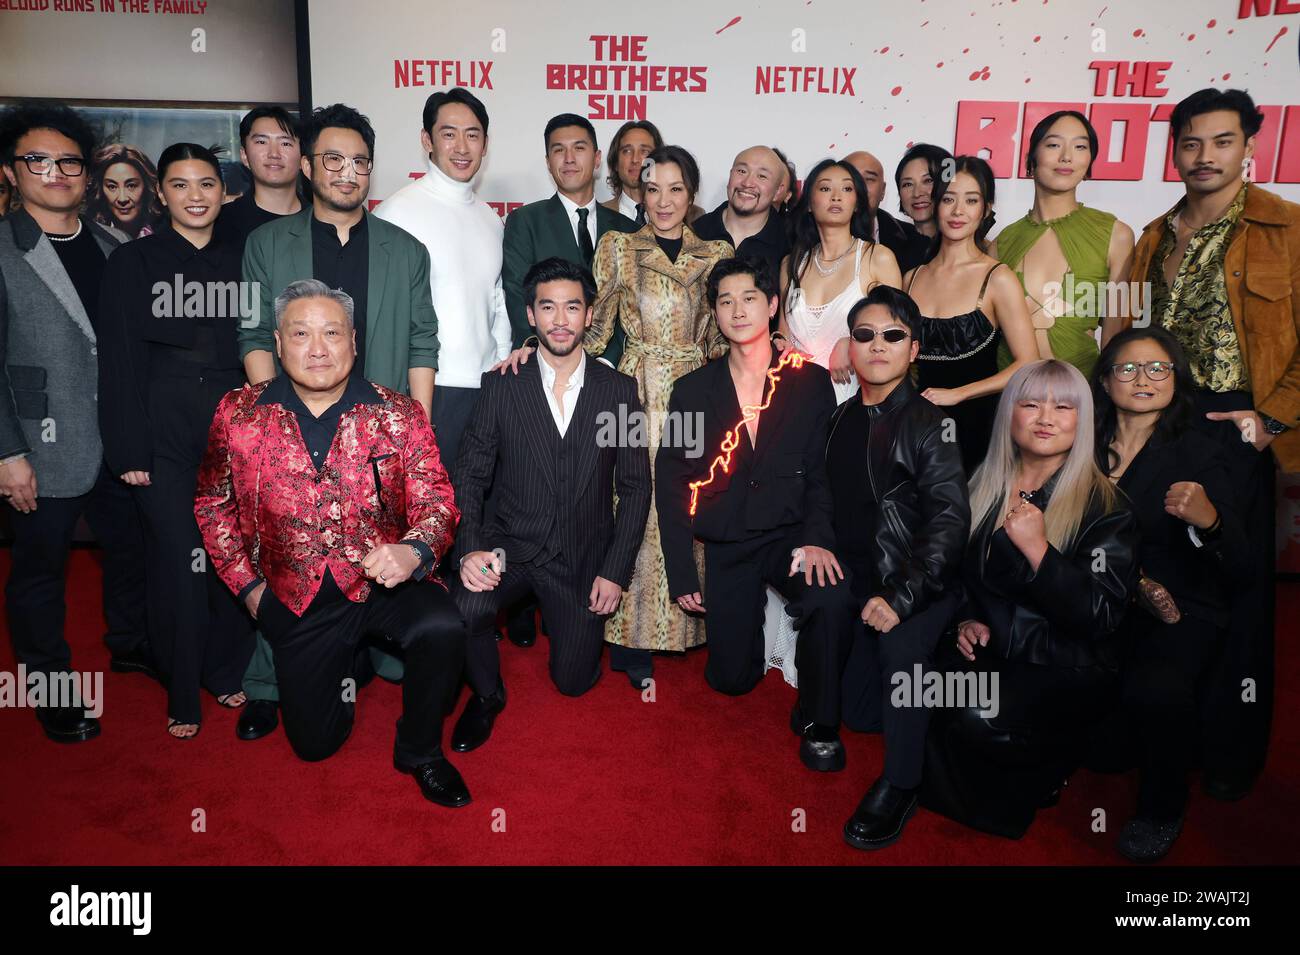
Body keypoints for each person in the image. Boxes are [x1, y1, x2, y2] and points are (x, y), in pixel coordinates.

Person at [195, 279, 470, 806]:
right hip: (296, 598)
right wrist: (250, 589)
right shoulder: (239, 414)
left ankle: (420, 752)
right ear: (278, 344)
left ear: (354, 341)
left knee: (442, 624)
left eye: (331, 333)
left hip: (381, 585)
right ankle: (350, 666)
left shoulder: (399, 413)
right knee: (315, 746)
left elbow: (438, 500)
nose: (317, 348)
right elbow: (212, 505)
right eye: (301, 334)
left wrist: (413, 550)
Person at [236, 103, 439, 738]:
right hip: (291, 429)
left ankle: (373, 654)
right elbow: (252, 333)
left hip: (377, 436)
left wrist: (416, 439)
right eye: (332, 158)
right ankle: (269, 679)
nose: (345, 171)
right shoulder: (267, 243)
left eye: (358, 161)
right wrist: (274, 425)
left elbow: (422, 344)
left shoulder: (406, 250)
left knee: (371, 548)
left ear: (371, 170)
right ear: (308, 165)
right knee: (288, 552)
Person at [1124, 87, 1300, 801]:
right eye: (1191, 142)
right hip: (1164, 423)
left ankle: (1229, 752)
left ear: (1251, 146)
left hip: (1241, 427)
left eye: (1222, 141)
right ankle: (1163, 734)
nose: (1205, 156)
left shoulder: (1285, 229)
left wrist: (1275, 419)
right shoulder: (1153, 235)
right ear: (1174, 150)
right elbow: (1131, 339)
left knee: (1242, 592)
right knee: (1163, 579)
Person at [920, 359, 1139, 840]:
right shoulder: (983, 482)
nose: (1046, 416)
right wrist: (966, 620)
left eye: (1064, 406)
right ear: (1009, 415)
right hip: (996, 642)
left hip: (1063, 660)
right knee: (918, 685)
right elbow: (962, 576)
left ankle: (1040, 773)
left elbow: (1100, 617)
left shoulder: (1107, 507)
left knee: (975, 713)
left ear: (1083, 421)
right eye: (1031, 403)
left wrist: (1040, 550)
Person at [655, 256, 858, 771]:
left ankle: (820, 722)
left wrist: (818, 539)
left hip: (792, 535)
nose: (737, 310)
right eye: (725, 301)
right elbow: (672, 478)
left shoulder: (809, 382)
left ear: (771, 305)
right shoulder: (693, 390)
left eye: (749, 298)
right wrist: (682, 570)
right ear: (716, 316)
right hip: (729, 539)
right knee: (730, 680)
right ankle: (753, 650)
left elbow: (821, 472)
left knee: (830, 599)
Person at [450, 258, 652, 750]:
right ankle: (487, 695)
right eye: (548, 307)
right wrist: (471, 549)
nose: (560, 319)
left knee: (574, 683)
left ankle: (546, 622)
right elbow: (470, 477)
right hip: (511, 547)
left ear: (588, 316)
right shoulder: (502, 384)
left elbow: (635, 487)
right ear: (530, 315)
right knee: (466, 607)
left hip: (580, 558)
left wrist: (614, 571)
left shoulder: (619, 392)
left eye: (572, 307)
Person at [0, 103, 150, 743]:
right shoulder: (4, 249)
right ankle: (52, 689)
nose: (56, 172)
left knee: (130, 555)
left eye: (69, 161)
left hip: (115, 442)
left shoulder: (114, 247)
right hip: (38, 445)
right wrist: (6, 453)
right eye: (39, 160)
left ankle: (131, 644)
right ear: (12, 171)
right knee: (40, 573)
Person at [97, 143, 255, 739]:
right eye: (181, 185)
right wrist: (128, 450)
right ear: (160, 193)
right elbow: (116, 362)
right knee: (178, 562)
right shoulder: (132, 264)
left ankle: (222, 667)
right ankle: (181, 686)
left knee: (230, 560)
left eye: (207, 184)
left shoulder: (246, 259)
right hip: (158, 431)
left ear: (224, 192)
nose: (196, 196)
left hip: (231, 426)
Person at [1090, 327, 1250, 862]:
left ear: (1176, 379)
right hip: (1100, 593)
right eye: (1127, 368)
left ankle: (1162, 807)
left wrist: (1212, 520)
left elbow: (1241, 560)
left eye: (1158, 368)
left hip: (1181, 605)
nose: (1143, 379)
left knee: (1155, 688)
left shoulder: (1200, 451)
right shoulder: (1080, 438)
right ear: (1106, 380)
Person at [584, 144, 732, 686]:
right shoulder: (619, 246)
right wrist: (540, 345)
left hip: (695, 389)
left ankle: (689, 625)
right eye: (652, 189)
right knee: (633, 497)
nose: (663, 201)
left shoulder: (716, 252)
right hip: (634, 388)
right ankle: (628, 633)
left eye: (676, 189)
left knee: (689, 498)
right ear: (637, 193)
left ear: (692, 194)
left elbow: (720, 336)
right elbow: (596, 328)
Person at [828, 285, 970, 849]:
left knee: (901, 657)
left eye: (893, 335)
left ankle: (903, 783)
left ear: (914, 349)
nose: (877, 345)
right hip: (863, 584)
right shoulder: (839, 419)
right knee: (860, 716)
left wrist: (903, 597)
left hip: (919, 585)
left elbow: (949, 524)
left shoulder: (929, 423)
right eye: (864, 335)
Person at [374, 87, 511, 480]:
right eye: (449, 133)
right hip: (427, 391)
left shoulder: (489, 218)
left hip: (487, 390)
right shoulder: (397, 213)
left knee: (477, 518)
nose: (462, 146)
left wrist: (499, 363)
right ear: (426, 140)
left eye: (473, 134)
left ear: (485, 144)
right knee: (427, 518)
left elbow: (495, 299)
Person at [904, 156, 1037, 475]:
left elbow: (1028, 362)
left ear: (986, 209)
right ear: (936, 205)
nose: (958, 211)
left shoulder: (998, 277)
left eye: (971, 200)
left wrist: (958, 394)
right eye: (949, 199)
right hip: (916, 425)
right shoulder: (910, 278)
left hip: (977, 426)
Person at [990, 110, 1135, 378]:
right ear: (1031, 158)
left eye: (1080, 146)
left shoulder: (1116, 235)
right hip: (1010, 395)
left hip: (1081, 390)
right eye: (1054, 144)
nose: (1066, 156)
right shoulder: (1001, 243)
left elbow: (1117, 329)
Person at [501, 113, 637, 361]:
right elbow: (519, 295)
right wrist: (536, 350)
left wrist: (609, 360)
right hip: (546, 366)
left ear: (597, 159)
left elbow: (633, 306)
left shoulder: (627, 229)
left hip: (613, 370)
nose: (569, 159)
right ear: (548, 161)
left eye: (579, 148)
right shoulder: (525, 221)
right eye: (559, 150)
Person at [779, 158, 902, 405]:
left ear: (857, 203)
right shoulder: (790, 264)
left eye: (847, 189)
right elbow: (783, 335)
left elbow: (898, 333)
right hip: (795, 398)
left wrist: (853, 341)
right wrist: (781, 345)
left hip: (855, 397)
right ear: (810, 204)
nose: (836, 196)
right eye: (825, 189)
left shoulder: (877, 258)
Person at [692, 145, 792, 292]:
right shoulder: (695, 232)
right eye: (742, 171)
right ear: (730, 176)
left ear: (777, 192)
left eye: (762, 176)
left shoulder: (789, 245)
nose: (747, 183)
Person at [215, 106, 304, 250]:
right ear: (244, 156)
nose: (274, 154)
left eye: (285, 143)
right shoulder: (221, 222)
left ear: (303, 159)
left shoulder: (320, 221)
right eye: (261, 142)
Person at [844, 149, 929, 274]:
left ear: (883, 191)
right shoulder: (809, 239)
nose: (859, 187)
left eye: (869, 179)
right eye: (850, 178)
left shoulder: (915, 241)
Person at [87, 143, 161, 240]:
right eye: (112, 187)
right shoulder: (90, 235)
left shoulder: (166, 236)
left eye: (131, 186)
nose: (122, 199)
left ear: (148, 187)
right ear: (100, 191)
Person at [599, 119, 662, 225]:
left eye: (644, 151)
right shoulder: (596, 216)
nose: (635, 159)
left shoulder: (685, 215)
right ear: (615, 163)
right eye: (627, 151)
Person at [893, 142, 952, 244]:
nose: (917, 193)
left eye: (928, 181)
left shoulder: (976, 253)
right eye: (907, 184)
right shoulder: (889, 250)